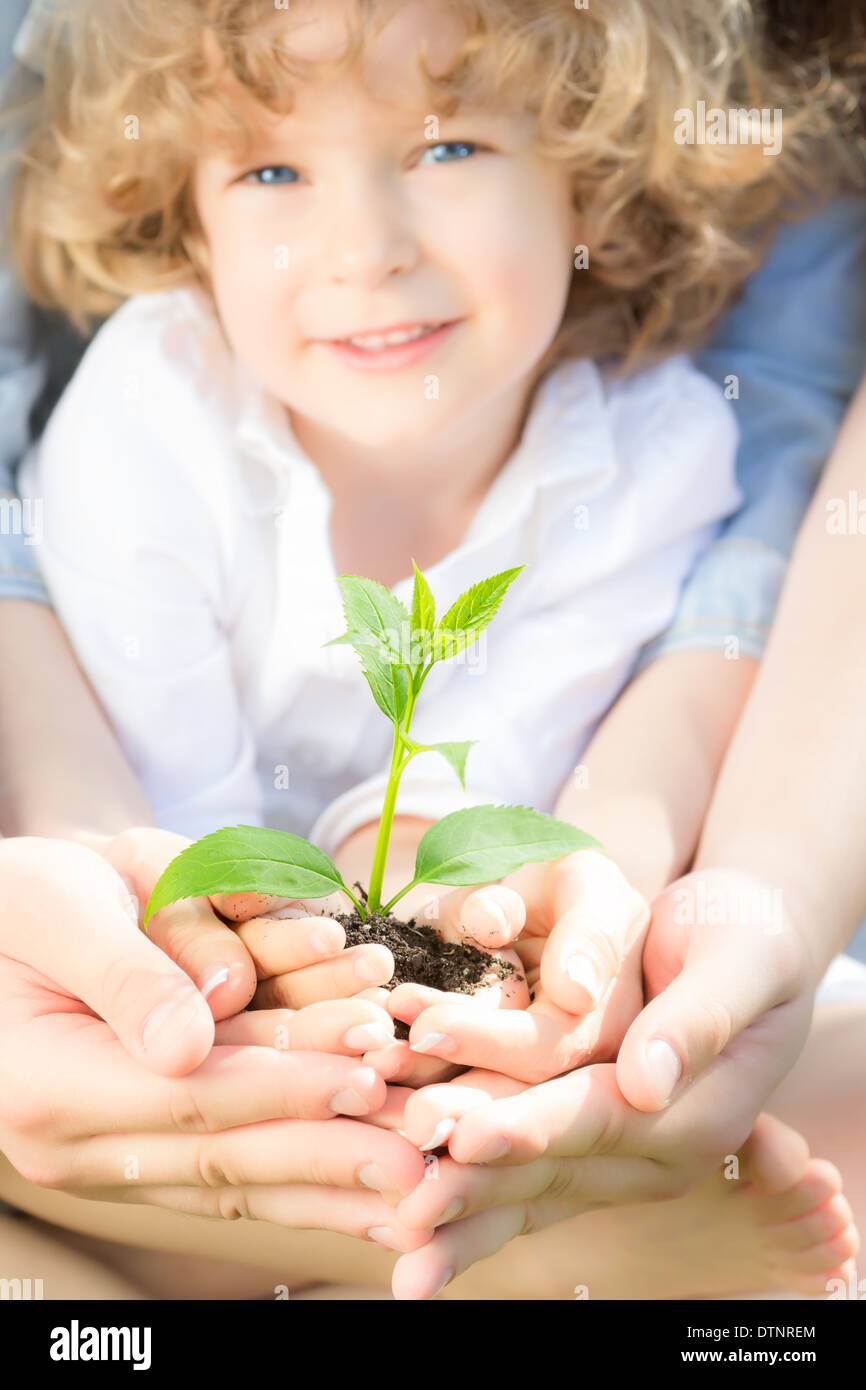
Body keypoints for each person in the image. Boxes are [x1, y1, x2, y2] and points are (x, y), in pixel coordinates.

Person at [0, 0, 863, 1302]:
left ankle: (309, 1249)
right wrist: (296, 963)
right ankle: (544, 1248)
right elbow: (171, 839)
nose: (364, 249)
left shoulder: (647, 456)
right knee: (143, 1043)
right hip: (190, 964)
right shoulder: (153, 415)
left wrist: (428, 923)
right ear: (189, 226)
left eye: (446, 149)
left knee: (815, 1049)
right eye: (272, 171)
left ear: (589, 181)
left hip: (440, 983)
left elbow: (493, 806)